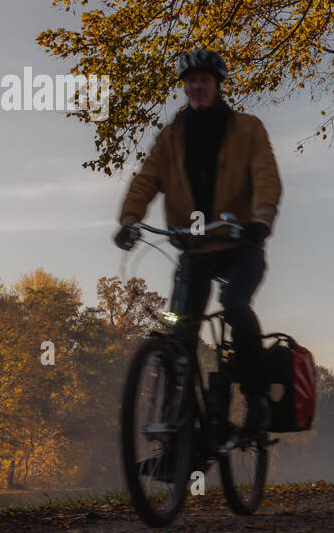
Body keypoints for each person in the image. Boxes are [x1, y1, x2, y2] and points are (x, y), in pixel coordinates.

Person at [113, 47, 283, 446]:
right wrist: (129, 221)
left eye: (204, 79)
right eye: (191, 81)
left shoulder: (247, 129)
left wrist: (261, 220)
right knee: (178, 334)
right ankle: (178, 435)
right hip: (194, 250)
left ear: (217, 84)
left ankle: (256, 399)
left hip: (241, 243)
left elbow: (266, 176)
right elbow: (146, 179)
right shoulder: (172, 137)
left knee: (236, 305)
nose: (197, 86)